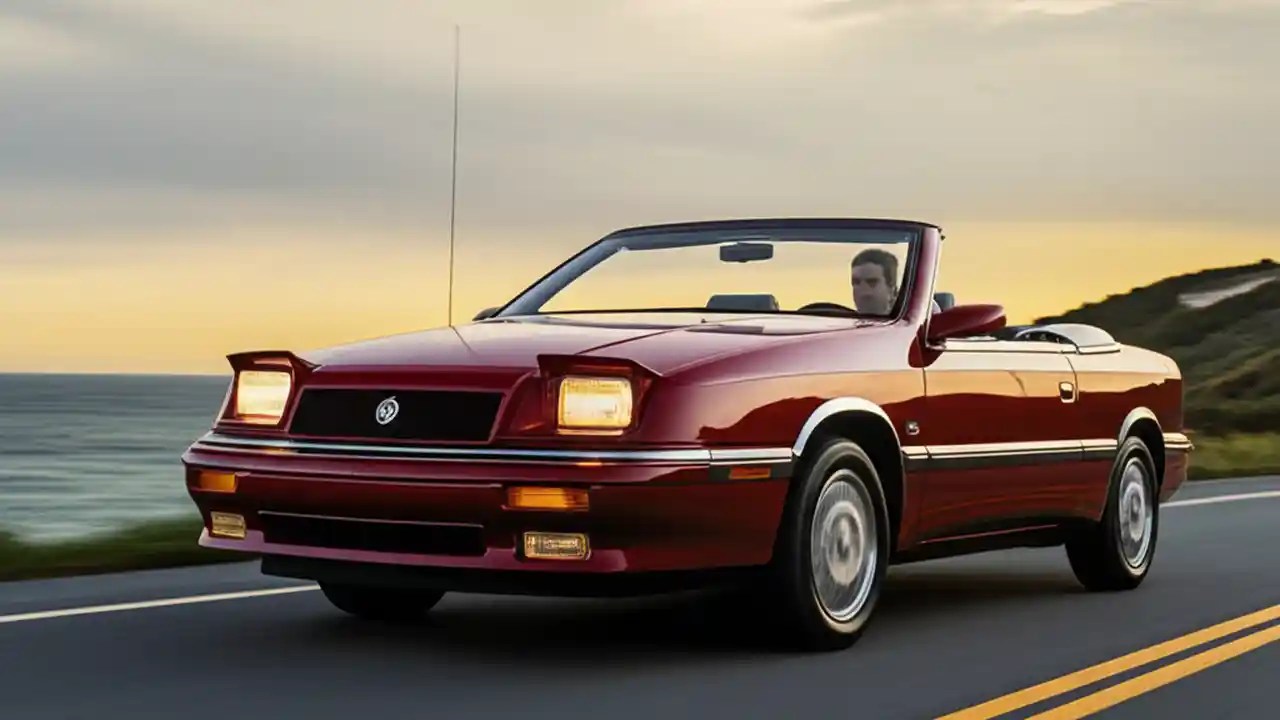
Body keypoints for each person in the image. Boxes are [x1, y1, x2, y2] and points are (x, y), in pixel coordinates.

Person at [850, 248, 898, 314]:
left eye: (872, 282)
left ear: (891, 290)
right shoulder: (844, 322)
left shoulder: (906, 323)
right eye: (857, 282)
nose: (864, 291)